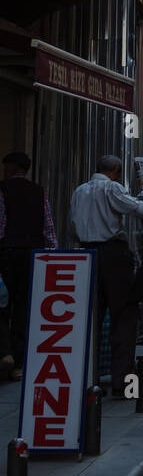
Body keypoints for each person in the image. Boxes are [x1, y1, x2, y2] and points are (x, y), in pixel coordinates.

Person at [70, 154, 143, 398]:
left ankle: (88, 381)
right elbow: (137, 207)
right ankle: (124, 384)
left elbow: (73, 225)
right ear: (115, 170)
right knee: (124, 317)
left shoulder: (79, 191)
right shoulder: (111, 187)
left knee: (89, 320)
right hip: (112, 255)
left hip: (85, 255)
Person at [0, 151, 57, 380]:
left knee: (3, 305)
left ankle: (5, 353)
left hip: (6, 254)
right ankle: (20, 364)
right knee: (24, 307)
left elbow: (0, 225)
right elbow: (49, 228)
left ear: (13, 168)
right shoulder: (39, 192)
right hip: (33, 255)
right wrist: (52, 255)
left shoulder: (2, 190)